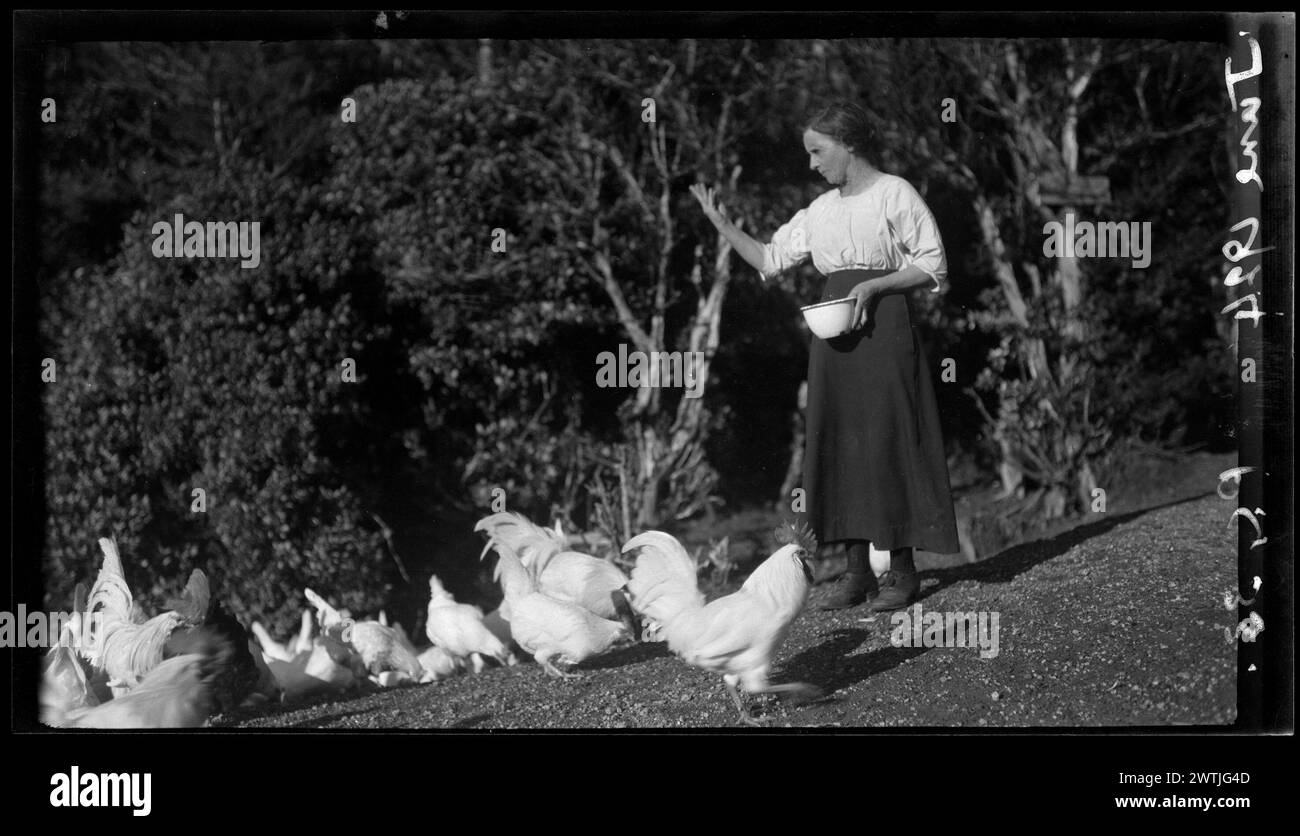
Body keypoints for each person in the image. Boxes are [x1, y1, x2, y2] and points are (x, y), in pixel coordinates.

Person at [690, 101, 960, 611]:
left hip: (884, 327)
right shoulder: (820, 211)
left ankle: (902, 573)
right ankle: (857, 573)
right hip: (834, 338)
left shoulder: (894, 193)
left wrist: (877, 285)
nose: (812, 164)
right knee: (840, 437)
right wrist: (722, 224)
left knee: (888, 434)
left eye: (818, 151)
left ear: (848, 144)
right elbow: (771, 259)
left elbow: (933, 265)